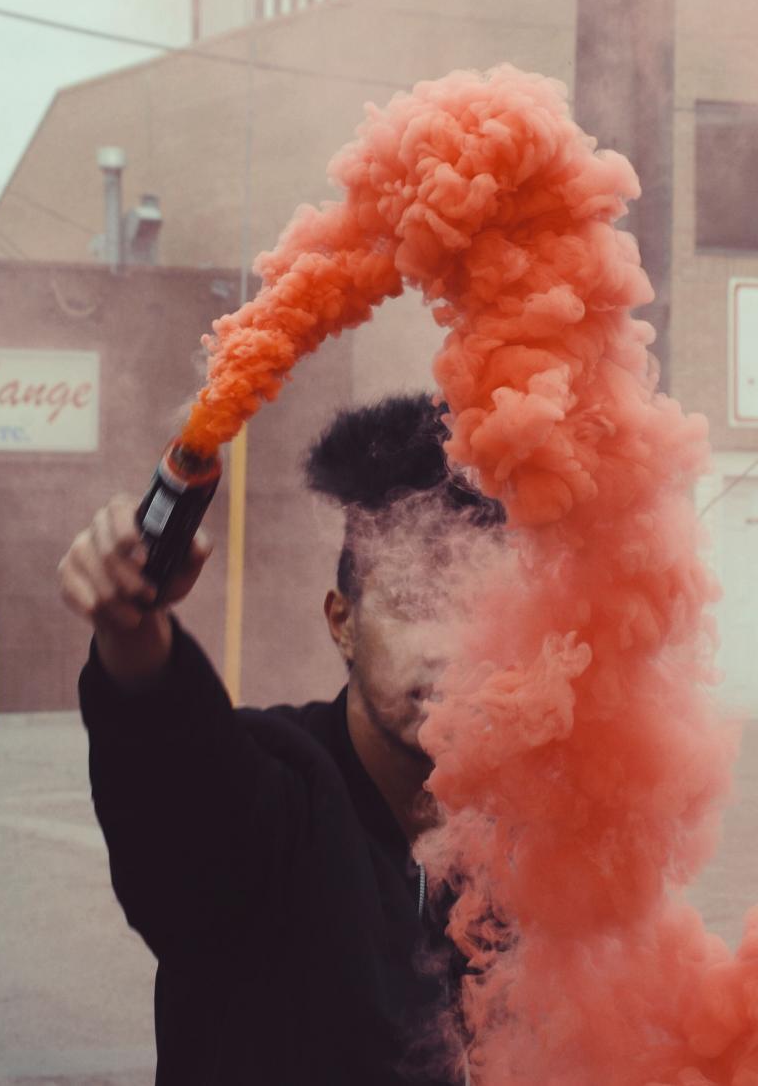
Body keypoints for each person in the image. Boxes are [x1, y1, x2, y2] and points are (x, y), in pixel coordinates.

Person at [57, 394, 504, 1086]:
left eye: (475, 608)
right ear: (343, 622)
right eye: (414, 604)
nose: (448, 648)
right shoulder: (282, 791)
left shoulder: (513, 840)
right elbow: (187, 791)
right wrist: (133, 635)